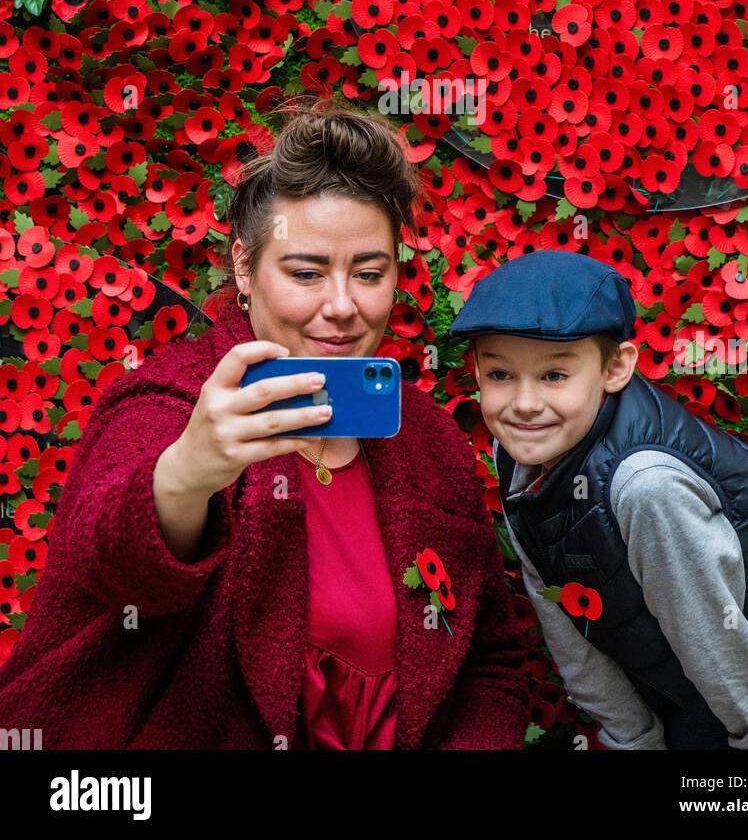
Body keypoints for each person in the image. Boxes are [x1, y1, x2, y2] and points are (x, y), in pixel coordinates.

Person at [0, 99, 528, 750]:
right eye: (306, 273)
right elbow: (106, 550)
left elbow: (489, 661)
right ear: (246, 268)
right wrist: (186, 474)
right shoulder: (171, 399)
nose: (342, 307)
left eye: (370, 273)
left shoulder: (425, 437)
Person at [448, 248, 748, 751]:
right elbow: (563, 616)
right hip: (711, 691)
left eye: (555, 375)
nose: (525, 403)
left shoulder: (646, 487)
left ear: (616, 367)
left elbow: (716, 643)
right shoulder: (518, 452)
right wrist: (632, 739)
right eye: (499, 375)